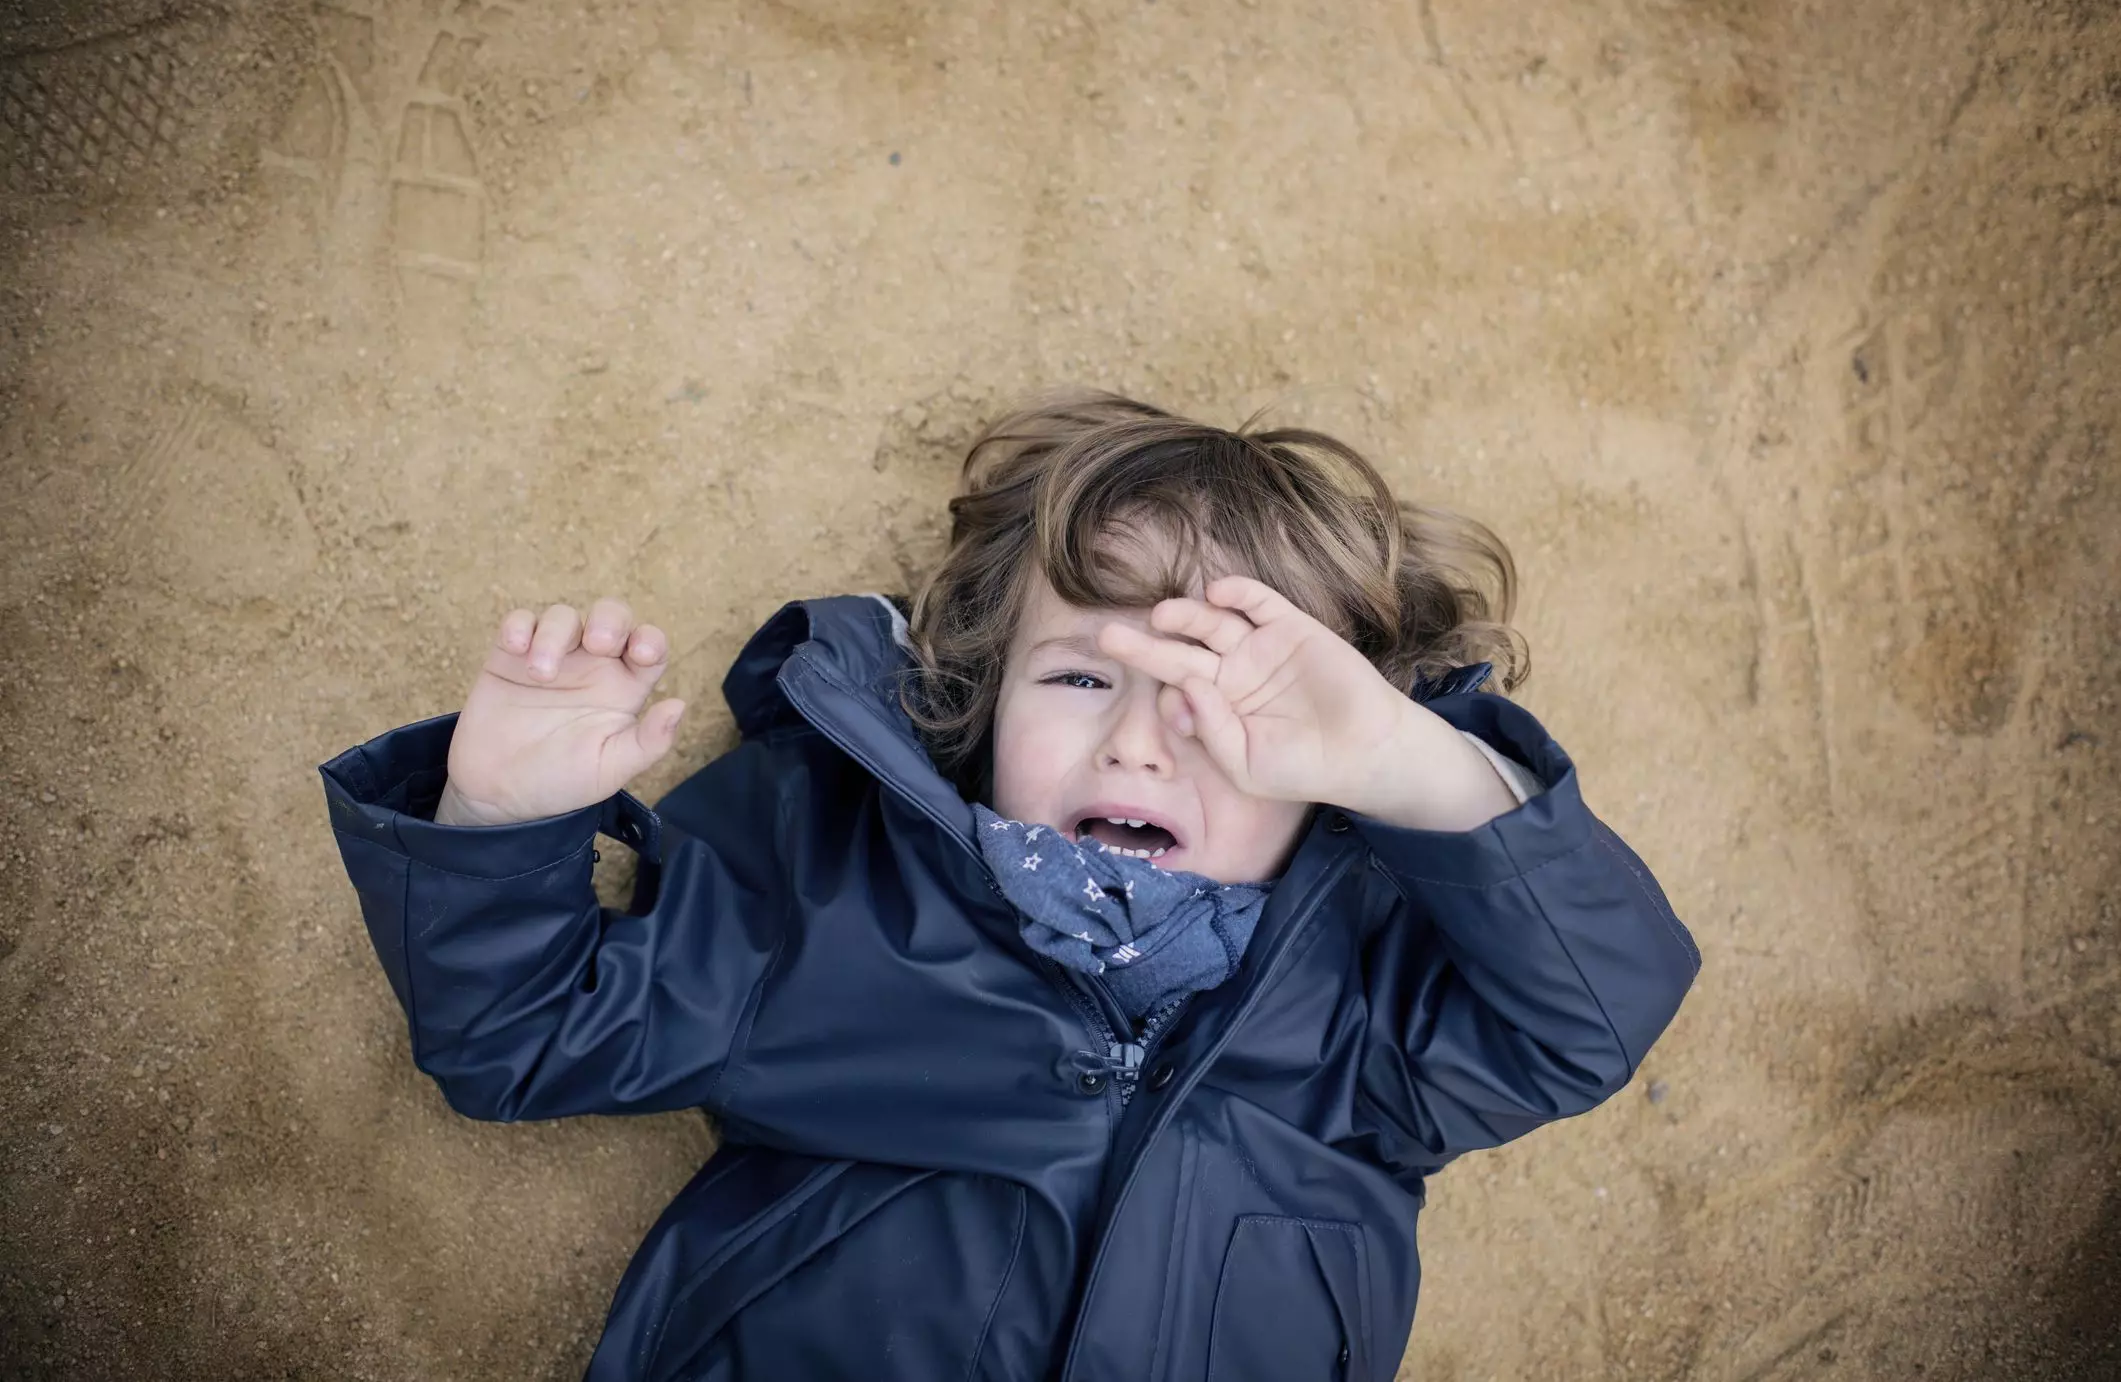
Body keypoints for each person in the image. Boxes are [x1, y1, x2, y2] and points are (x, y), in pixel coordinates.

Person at [318, 390, 1698, 1381]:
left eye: (1224, 707)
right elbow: (520, 1037)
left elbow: (1591, 1011)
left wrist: (1418, 768)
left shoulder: (1365, 998)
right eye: (1082, 674)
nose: (1139, 736)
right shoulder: (834, 883)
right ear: (977, 704)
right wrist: (496, 817)